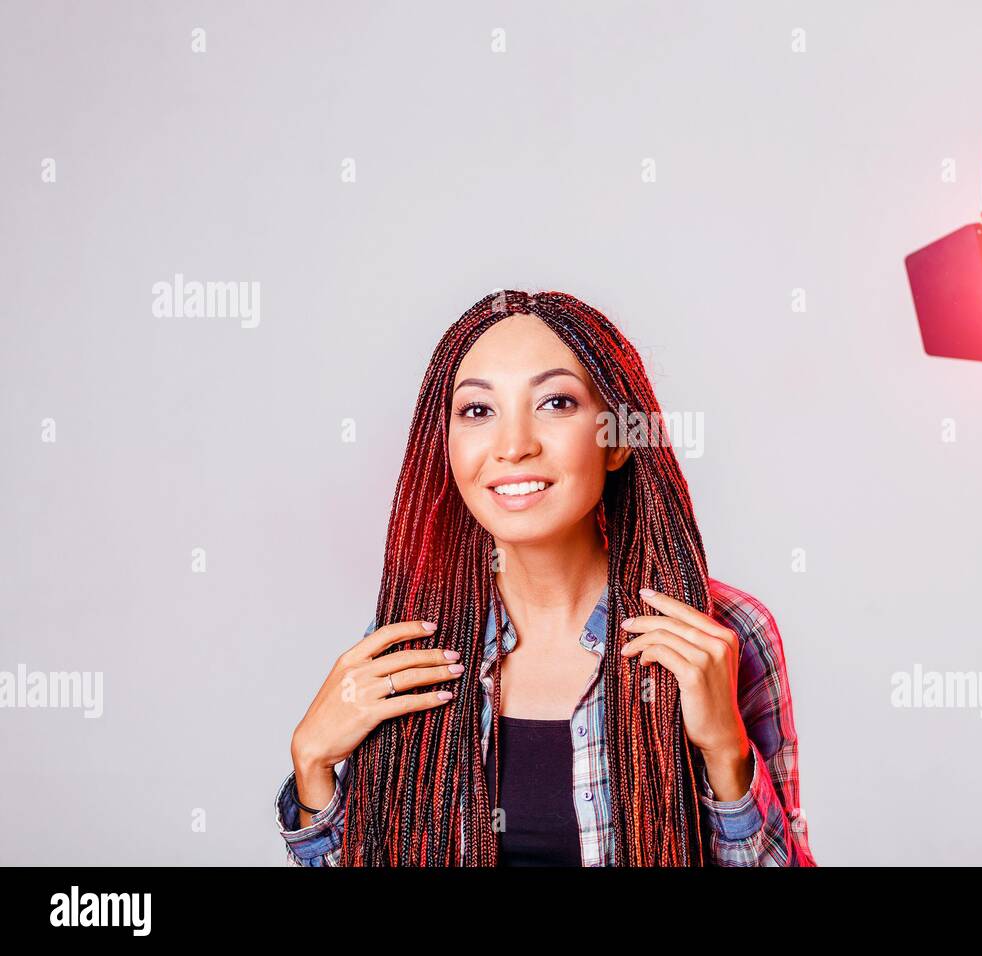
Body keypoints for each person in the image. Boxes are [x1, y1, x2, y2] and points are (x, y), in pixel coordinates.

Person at [273, 290, 815, 866]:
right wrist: (312, 771)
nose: (513, 447)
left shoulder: (721, 634)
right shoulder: (411, 644)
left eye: (555, 403)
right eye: (478, 411)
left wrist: (724, 752)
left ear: (618, 438)